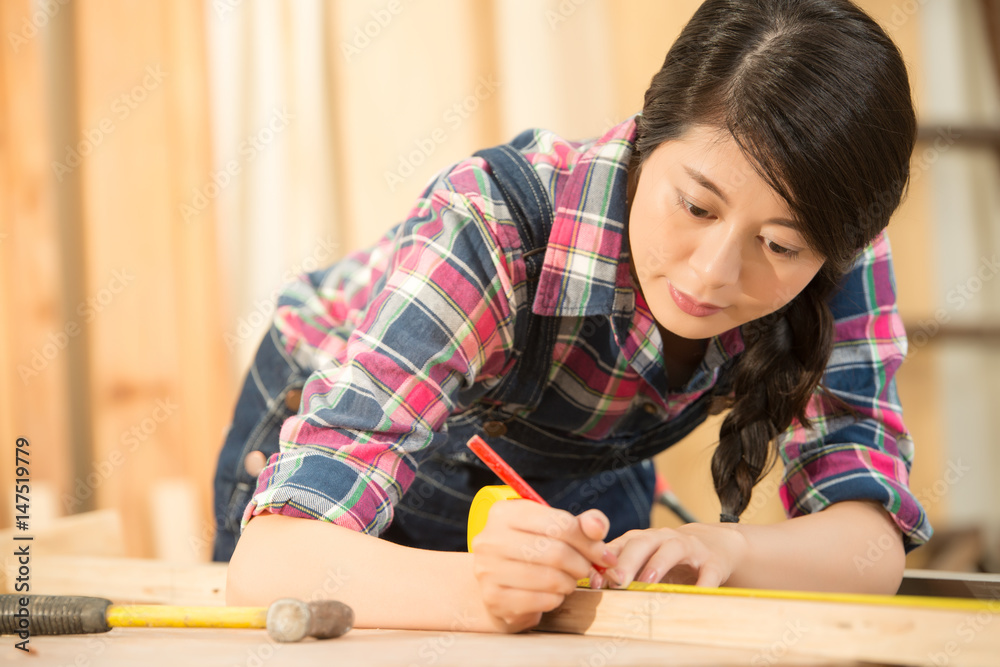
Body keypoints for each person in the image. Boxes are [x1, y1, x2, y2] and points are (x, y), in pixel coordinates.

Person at [220, 0, 932, 633]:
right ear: (649, 136)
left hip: (574, 465)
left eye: (777, 244)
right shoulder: (491, 225)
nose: (712, 273)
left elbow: (869, 548)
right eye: (695, 206)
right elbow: (274, 562)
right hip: (327, 412)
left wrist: (731, 549)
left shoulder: (833, 257)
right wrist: (478, 590)